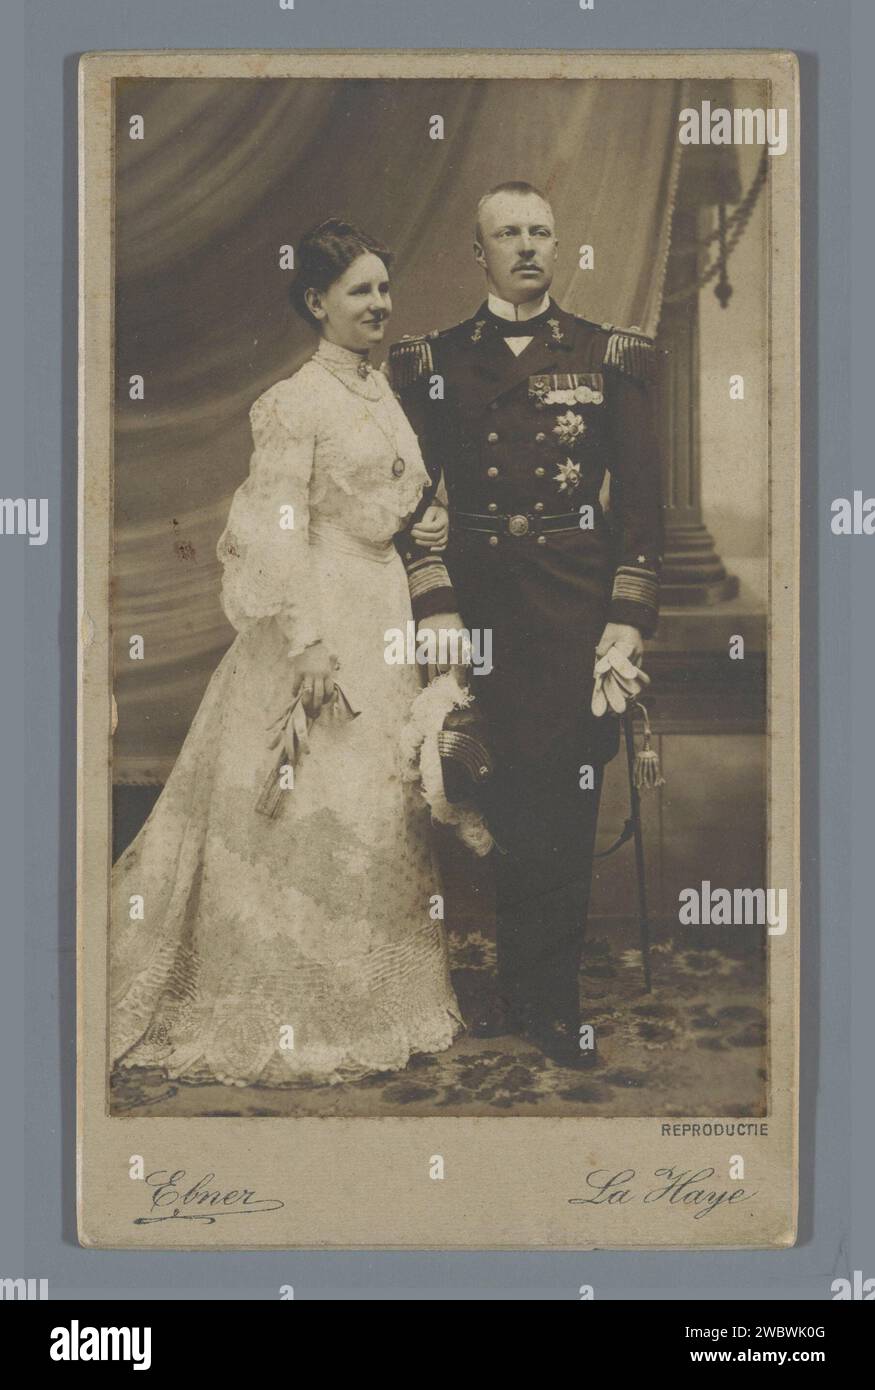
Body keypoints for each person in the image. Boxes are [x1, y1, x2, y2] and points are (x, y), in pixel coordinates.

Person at [110, 218, 466, 1088]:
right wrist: (306, 642)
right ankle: (293, 1010)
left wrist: (427, 524)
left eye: (384, 288)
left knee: (384, 799)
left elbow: (397, 501)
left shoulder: (383, 395)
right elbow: (274, 529)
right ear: (316, 302)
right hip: (321, 620)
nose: (379, 304)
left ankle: (381, 1000)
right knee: (307, 804)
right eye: (359, 291)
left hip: (382, 611)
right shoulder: (293, 403)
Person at [391, 182, 664, 1069]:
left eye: (540, 232)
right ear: (478, 254)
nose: (526, 247)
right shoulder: (431, 361)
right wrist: (433, 600)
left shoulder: (606, 356)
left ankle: (555, 1000)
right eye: (507, 234)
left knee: (566, 797)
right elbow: (403, 498)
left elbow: (643, 512)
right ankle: (515, 989)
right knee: (499, 796)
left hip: (572, 608)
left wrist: (624, 621)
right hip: (475, 612)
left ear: (559, 245)